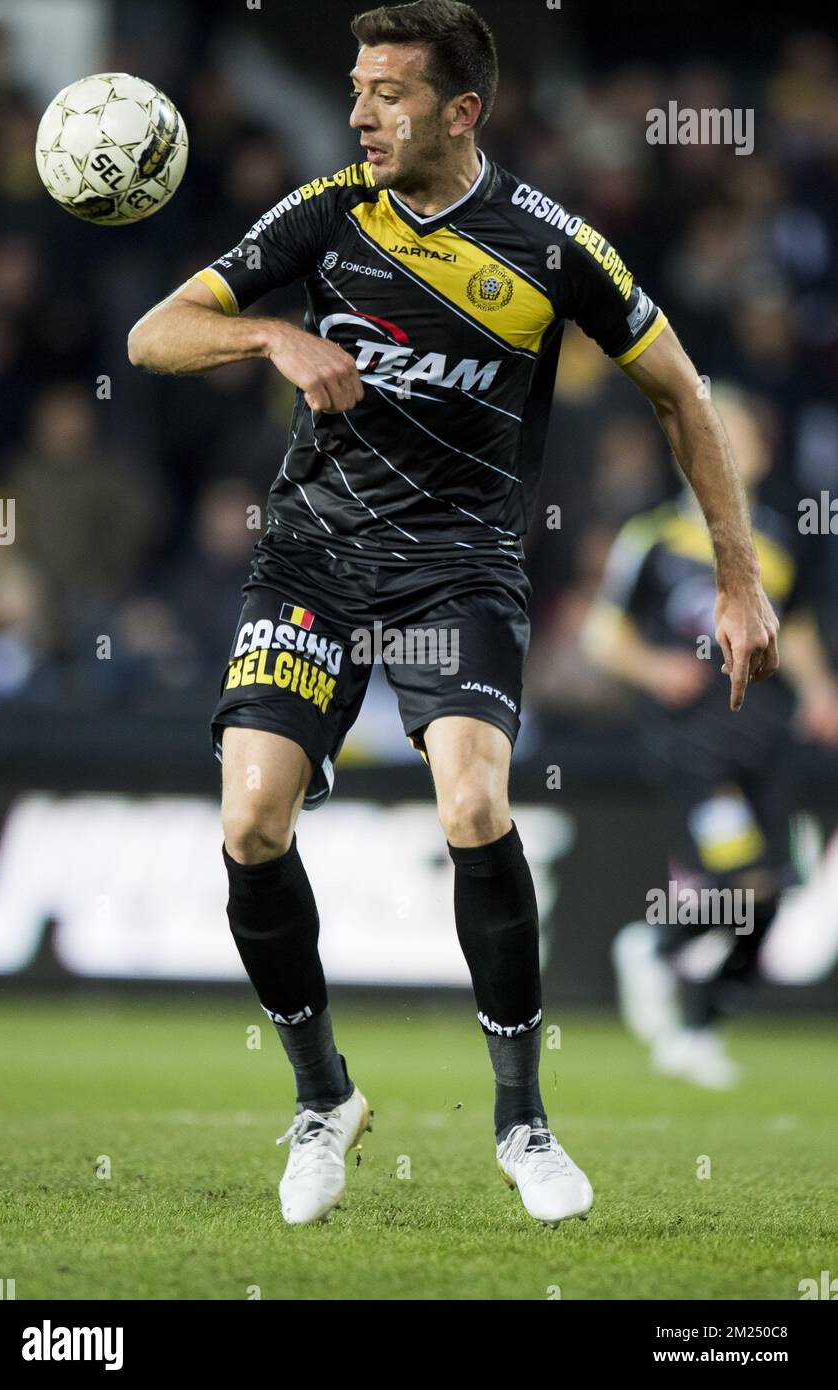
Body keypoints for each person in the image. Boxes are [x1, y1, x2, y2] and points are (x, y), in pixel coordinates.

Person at [127, 0, 778, 1227]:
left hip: (457, 567)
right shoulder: (325, 214)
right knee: (253, 819)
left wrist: (736, 580)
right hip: (312, 560)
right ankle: (323, 1097)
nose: (361, 113)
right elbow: (153, 333)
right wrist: (270, 336)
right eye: (356, 90)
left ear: (460, 110)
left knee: (474, 801)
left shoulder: (550, 244)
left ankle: (522, 1119)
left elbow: (680, 394)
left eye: (388, 93)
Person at [583, 383, 838, 1087]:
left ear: (758, 453)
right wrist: (654, 665)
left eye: (742, 436)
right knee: (738, 872)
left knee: (773, 893)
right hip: (691, 740)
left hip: (763, 732)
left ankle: (697, 1027)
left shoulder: (780, 540)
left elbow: (801, 626)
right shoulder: (653, 535)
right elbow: (602, 633)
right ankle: (656, 948)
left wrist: (819, 688)